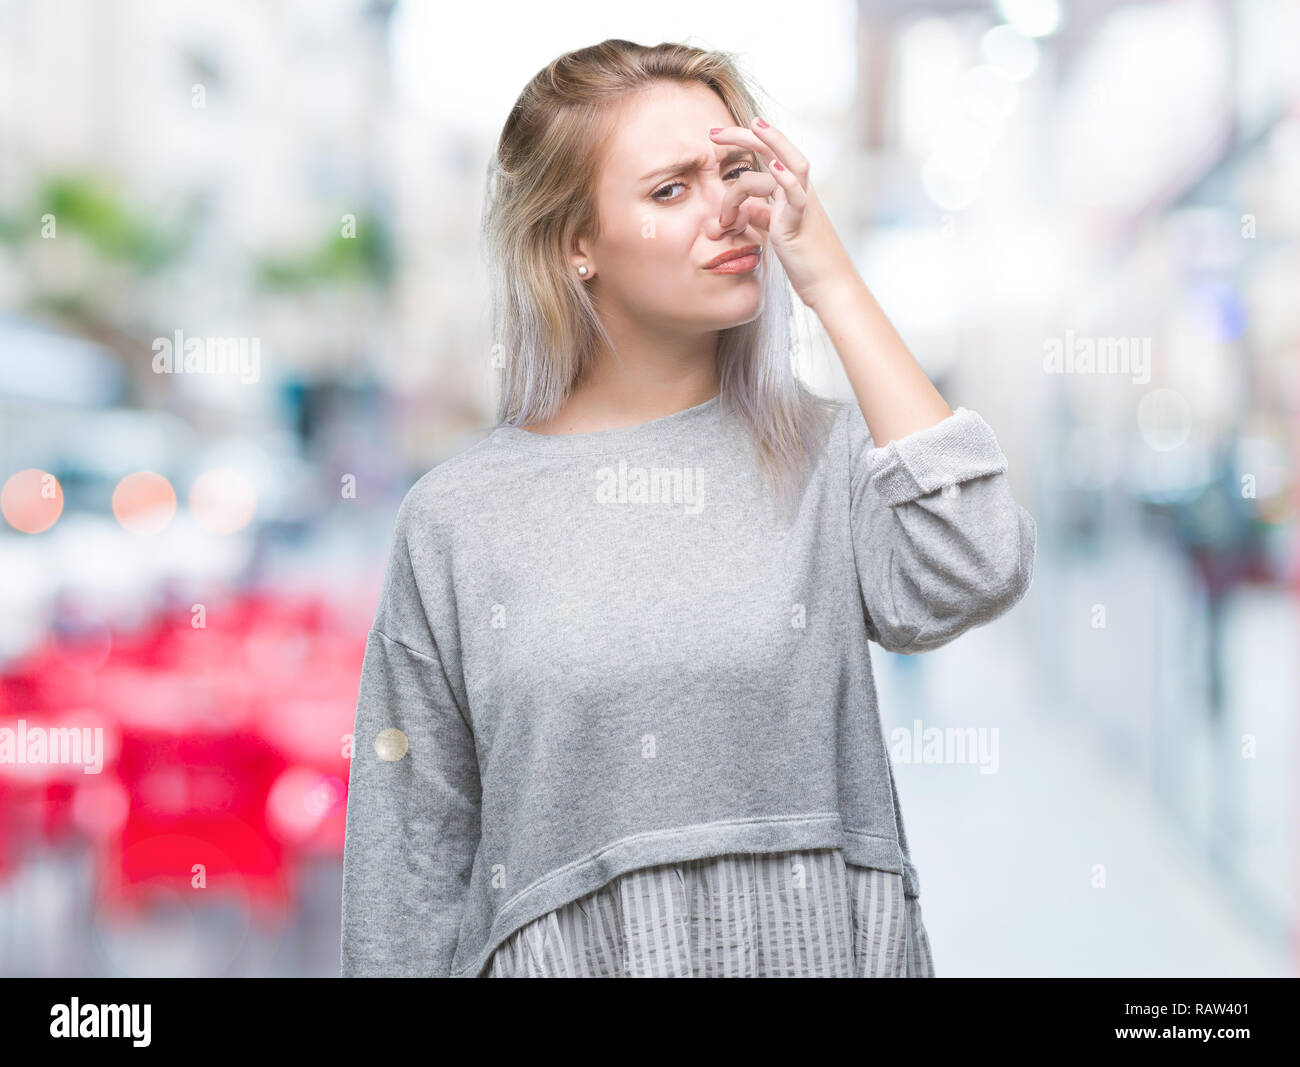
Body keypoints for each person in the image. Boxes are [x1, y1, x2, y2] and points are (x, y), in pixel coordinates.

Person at [340, 38, 1037, 978]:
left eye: (735, 171)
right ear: (574, 244)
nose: (731, 211)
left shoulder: (825, 457)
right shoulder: (455, 520)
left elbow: (978, 560)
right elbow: (409, 867)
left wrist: (829, 277)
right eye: (671, 189)